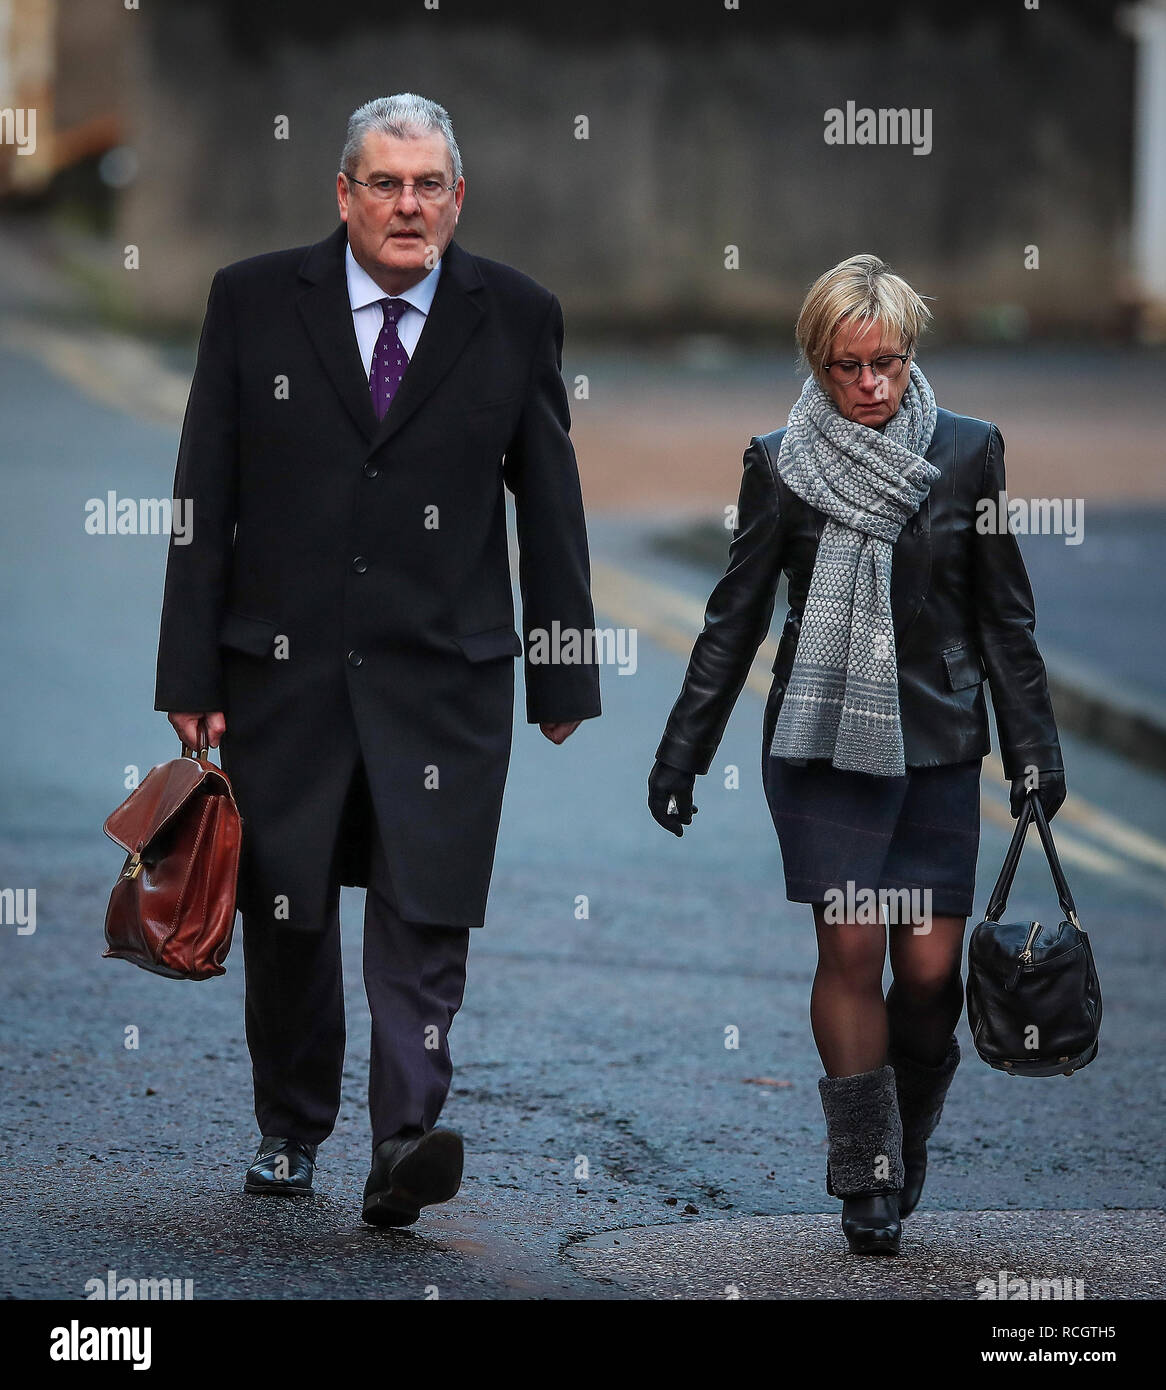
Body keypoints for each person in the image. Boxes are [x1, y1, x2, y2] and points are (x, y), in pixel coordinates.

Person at [154, 93, 601, 1226]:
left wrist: (562, 669)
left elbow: (550, 503)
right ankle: (291, 1128)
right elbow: (203, 495)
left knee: (425, 907)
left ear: (459, 197)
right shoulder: (253, 301)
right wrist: (189, 673)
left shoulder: (516, 313)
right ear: (343, 194)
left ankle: (404, 1139)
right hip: (283, 668)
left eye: (430, 184)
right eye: (387, 183)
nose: (410, 204)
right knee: (289, 908)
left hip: (445, 672)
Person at [647, 254, 1065, 1255]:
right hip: (822, 747)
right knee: (849, 948)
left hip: (932, 743)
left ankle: (905, 1130)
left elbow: (1003, 617)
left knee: (925, 973)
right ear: (815, 361)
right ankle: (864, 1171)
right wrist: (680, 752)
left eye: (886, 362)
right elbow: (731, 618)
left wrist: (1032, 755)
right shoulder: (778, 459)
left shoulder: (966, 454)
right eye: (847, 367)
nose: (869, 385)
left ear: (908, 354)